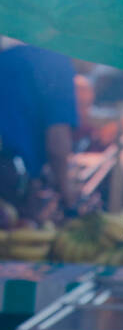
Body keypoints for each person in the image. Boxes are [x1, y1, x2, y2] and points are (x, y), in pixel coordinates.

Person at [0, 42, 78, 212]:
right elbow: (57, 143)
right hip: (14, 186)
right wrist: (68, 194)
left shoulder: (6, 56)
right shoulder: (56, 61)